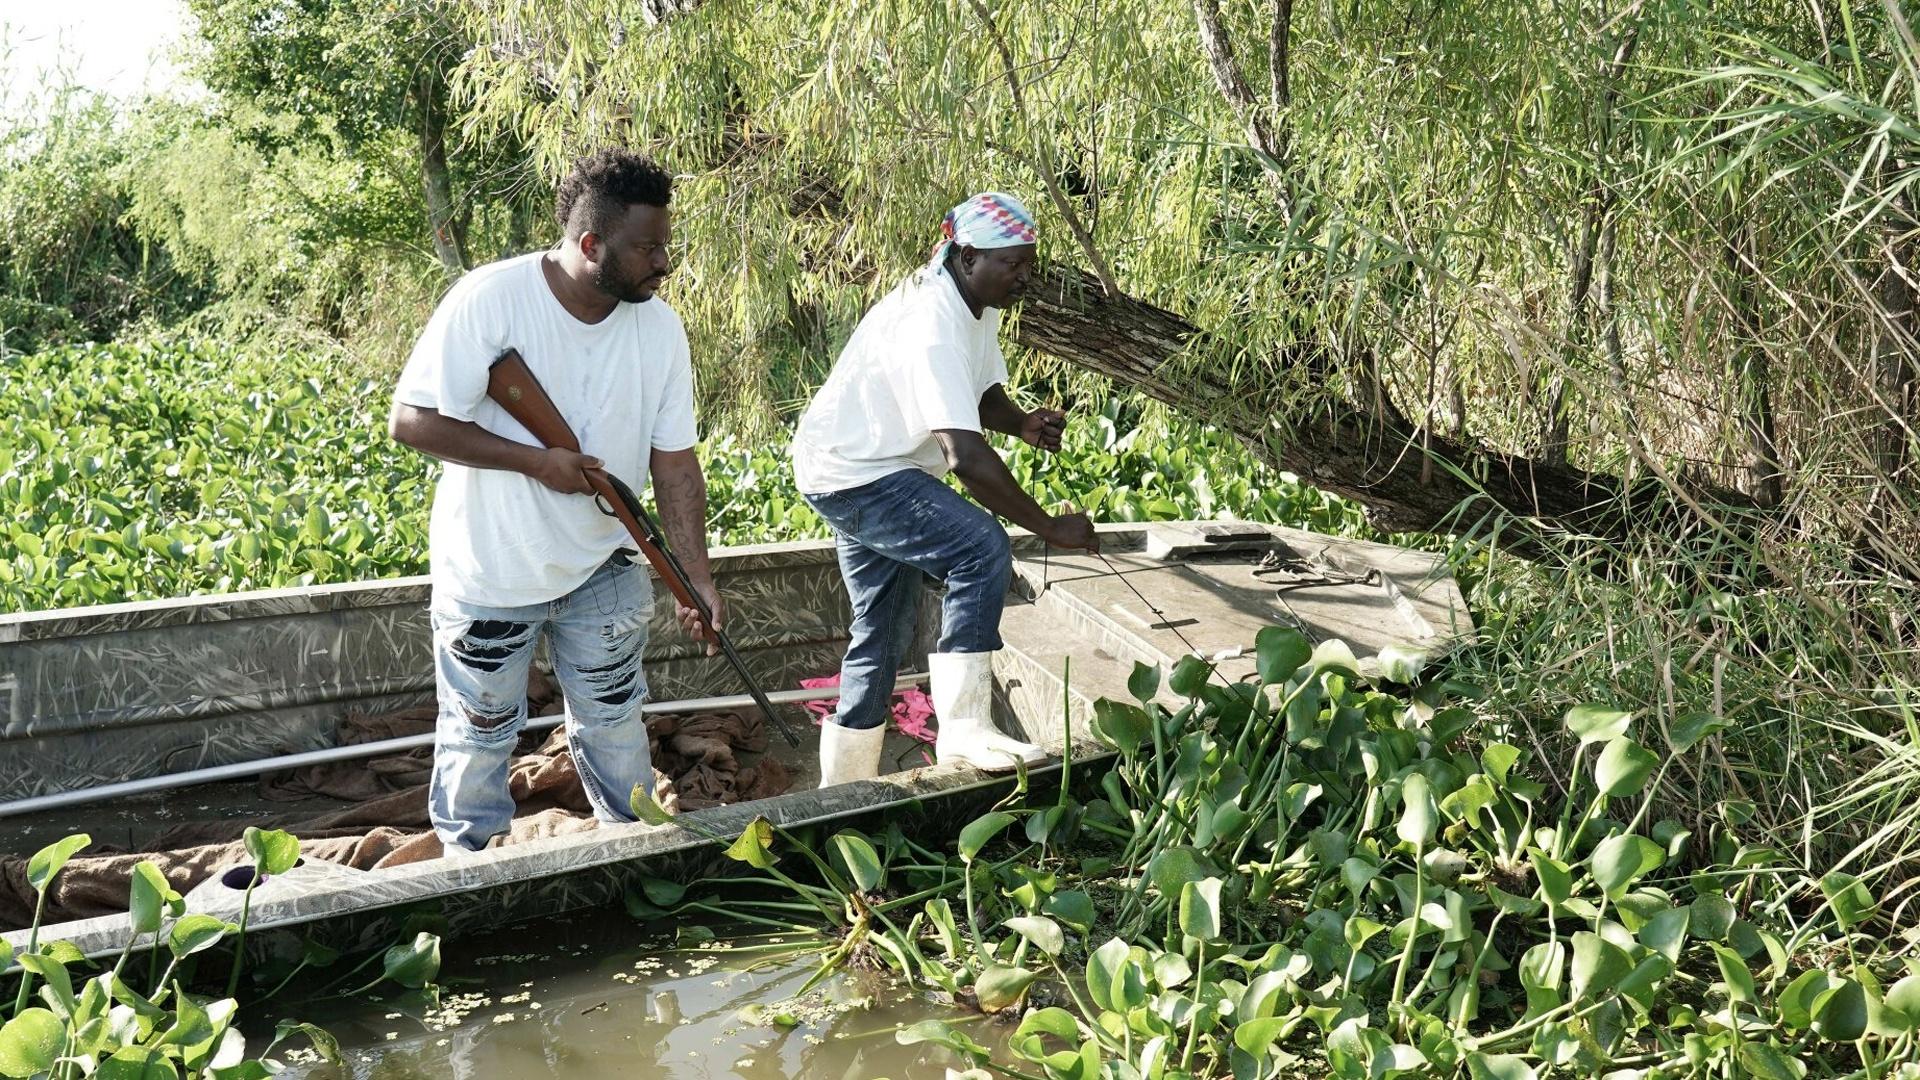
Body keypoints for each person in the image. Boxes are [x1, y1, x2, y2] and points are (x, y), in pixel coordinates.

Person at [388, 148, 721, 857]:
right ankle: (469, 870)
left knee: (614, 722)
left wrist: (696, 577)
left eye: (667, 245)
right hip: (491, 571)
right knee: (479, 733)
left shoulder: (659, 328)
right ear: (591, 244)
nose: (665, 263)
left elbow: (675, 463)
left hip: (604, 565)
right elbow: (411, 421)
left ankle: (635, 855)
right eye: (648, 249)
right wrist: (536, 461)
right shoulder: (491, 298)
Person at [791, 191, 1100, 786]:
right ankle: (965, 727)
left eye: (1028, 263)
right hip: (857, 472)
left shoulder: (972, 308)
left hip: (867, 466)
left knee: (883, 625)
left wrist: (1021, 424)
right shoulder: (930, 320)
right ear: (966, 256)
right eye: (1012, 264)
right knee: (980, 546)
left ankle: (845, 784)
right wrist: (1050, 527)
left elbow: (978, 396)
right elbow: (965, 457)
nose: (1024, 277)